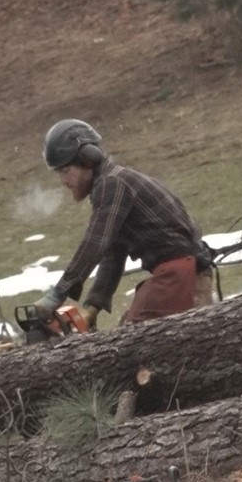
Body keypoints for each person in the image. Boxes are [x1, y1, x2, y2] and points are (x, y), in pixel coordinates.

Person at [32, 119, 214, 329]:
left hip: (180, 272)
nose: (63, 181)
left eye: (65, 170)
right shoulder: (113, 183)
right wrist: (92, 306)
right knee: (127, 330)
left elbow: (95, 243)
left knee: (134, 335)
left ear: (88, 159)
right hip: (185, 271)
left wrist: (59, 293)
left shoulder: (112, 184)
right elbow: (113, 254)